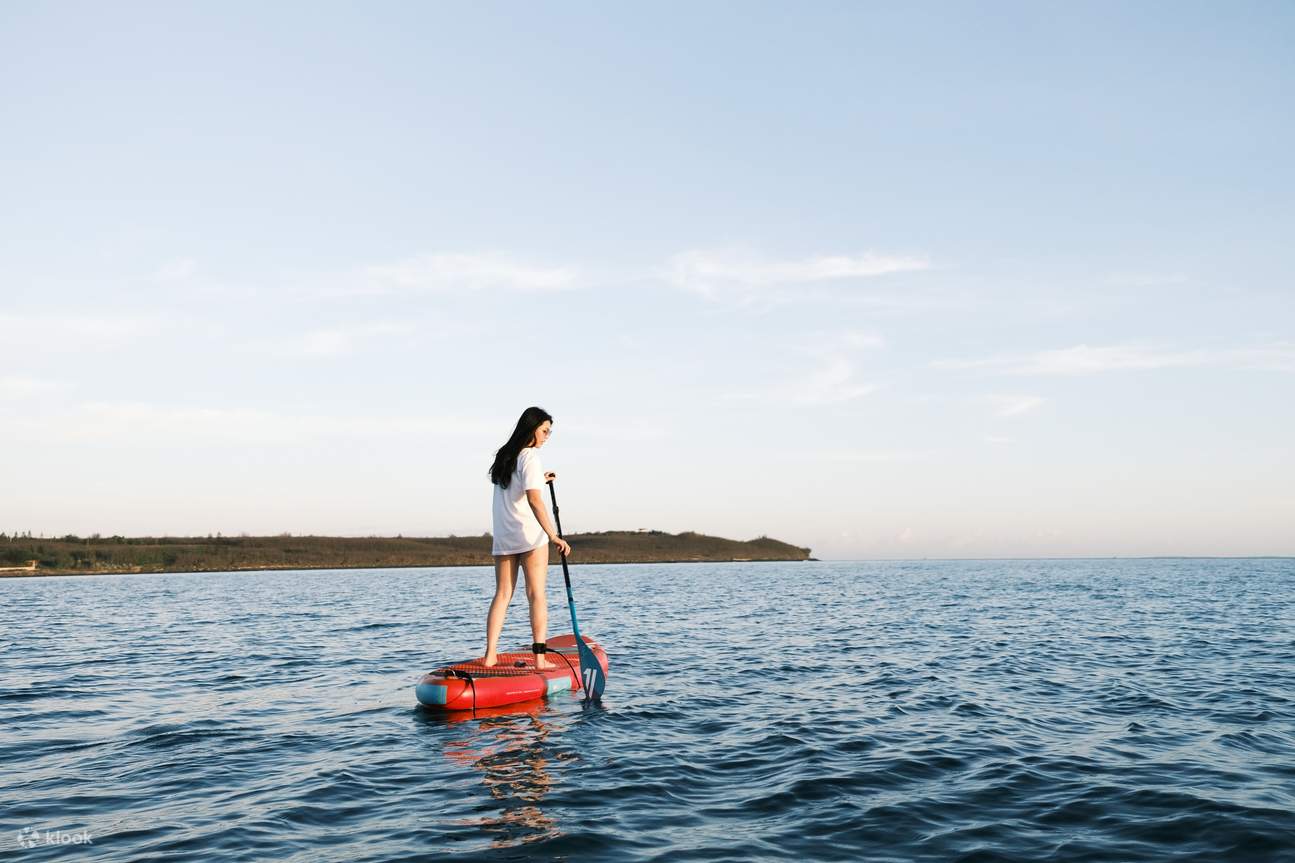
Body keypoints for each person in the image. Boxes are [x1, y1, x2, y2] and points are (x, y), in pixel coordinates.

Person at [484, 406, 572, 668]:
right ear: (531, 428)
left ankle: (490, 656)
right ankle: (539, 660)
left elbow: (517, 489)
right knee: (536, 595)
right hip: (530, 537)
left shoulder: (505, 456)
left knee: (502, 595)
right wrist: (554, 536)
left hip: (504, 536)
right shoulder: (531, 457)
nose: (547, 436)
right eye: (544, 431)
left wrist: (540, 480)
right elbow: (534, 501)